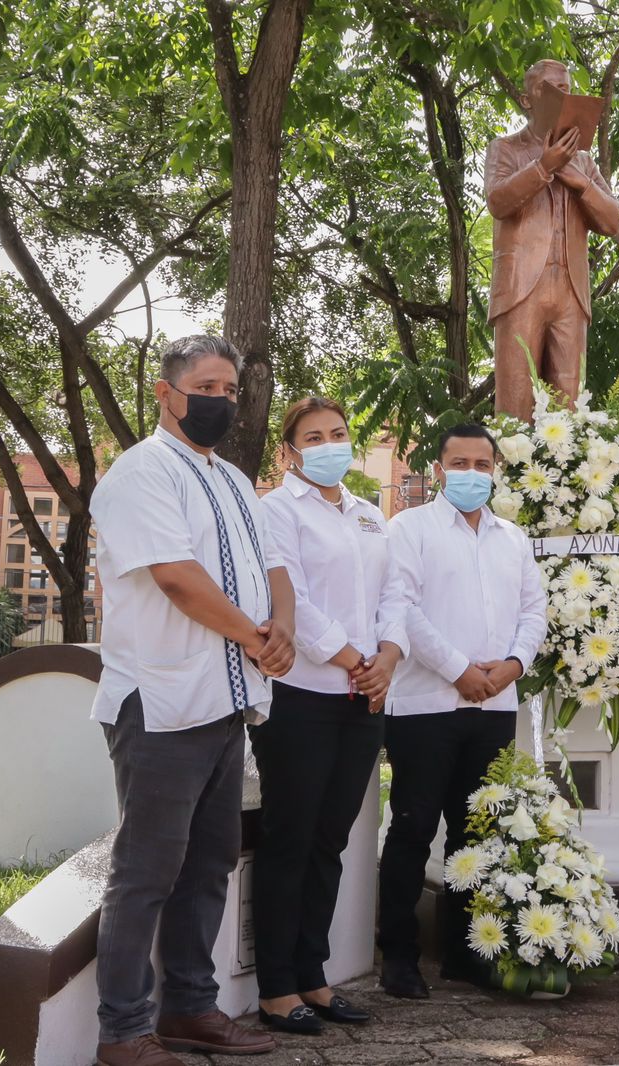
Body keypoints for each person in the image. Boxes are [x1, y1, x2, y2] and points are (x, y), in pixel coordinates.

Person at [88, 335, 296, 1066]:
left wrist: (282, 630)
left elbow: (275, 567)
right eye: (205, 387)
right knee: (145, 873)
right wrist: (255, 638)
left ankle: (189, 1008)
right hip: (161, 701)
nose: (220, 401)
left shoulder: (234, 481)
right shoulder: (140, 473)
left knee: (209, 865)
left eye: (229, 389)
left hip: (226, 701)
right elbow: (174, 576)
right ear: (165, 392)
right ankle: (122, 1032)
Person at [249, 397, 405, 1034]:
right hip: (302, 695)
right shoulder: (275, 510)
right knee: (290, 837)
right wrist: (351, 659)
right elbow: (290, 599)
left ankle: (313, 976)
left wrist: (387, 657)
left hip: (363, 699)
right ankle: (275, 988)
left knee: (330, 840)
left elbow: (394, 593)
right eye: (312, 437)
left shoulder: (369, 515)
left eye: (337, 433)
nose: (328, 444)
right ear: (289, 451)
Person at [376, 424, 547, 998]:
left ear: (496, 470)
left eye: (482, 464)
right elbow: (402, 608)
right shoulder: (409, 529)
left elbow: (534, 609)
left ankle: (464, 954)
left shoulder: (512, 539)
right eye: (459, 463)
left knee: (476, 835)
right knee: (413, 827)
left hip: (495, 704)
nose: (471, 473)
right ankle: (398, 957)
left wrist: (513, 665)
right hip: (425, 705)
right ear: (439, 469)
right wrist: (458, 669)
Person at [484, 58, 619, 419]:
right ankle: (509, 457)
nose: (562, 96)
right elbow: (498, 202)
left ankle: (564, 459)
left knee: (568, 412)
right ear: (527, 99)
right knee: (514, 407)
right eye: (550, 89)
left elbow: (612, 221)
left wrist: (580, 181)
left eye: (566, 90)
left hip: (570, 293)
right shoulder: (506, 148)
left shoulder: (584, 163)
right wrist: (544, 165)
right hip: (520, 289)